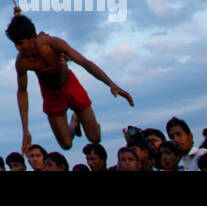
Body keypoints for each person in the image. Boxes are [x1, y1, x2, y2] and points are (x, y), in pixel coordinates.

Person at [8, 13, 133, 154]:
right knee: (66, 144)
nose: (17, 48)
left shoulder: (53, 44)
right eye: (15, 44)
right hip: (50, 91)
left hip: (69, 82)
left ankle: (81, 116)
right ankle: (74, 123)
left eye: (20, 43)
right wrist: (25, 130)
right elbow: (22, 92)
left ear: (32, 38)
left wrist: (111, 84)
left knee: (95, 138)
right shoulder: (22, 62)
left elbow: (85, 63)